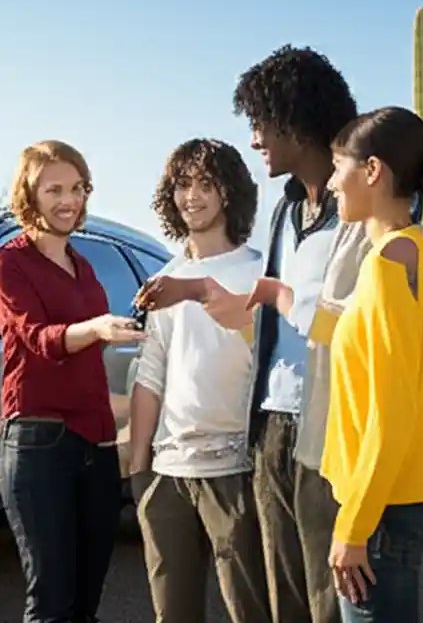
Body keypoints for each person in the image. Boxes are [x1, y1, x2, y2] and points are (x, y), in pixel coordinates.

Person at [140, 45, 370, 623]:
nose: (255, 137)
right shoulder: (285, 214)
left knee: (329, 599)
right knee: (282, 600)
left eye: (260, 123)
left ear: (293, 120)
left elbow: (354, 330)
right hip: (269, 433)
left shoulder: (363, 218)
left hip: (324, 430)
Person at [0, 139, 145, 623]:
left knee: (85, 604)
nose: (68, 200)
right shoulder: (7, 263)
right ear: (28, 195)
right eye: (53, 189)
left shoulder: (85, 267)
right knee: (51, 604)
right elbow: (38, 337)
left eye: (76, 188)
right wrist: (96, 329)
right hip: (39, 445)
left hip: (94, 445)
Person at [128, 139, 272, 623]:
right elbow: (151, 374)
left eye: (205, 184)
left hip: (238, 469)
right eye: (182, 184)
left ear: (229, 192)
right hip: (169, 474)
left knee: (251, 611)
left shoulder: (259, 270)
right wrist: (139, 468)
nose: (192, 195)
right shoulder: (167, 277)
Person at [318, 106, 423, 622]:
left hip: (382, 508)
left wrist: (354, 527)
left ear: (372, 171)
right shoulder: (419, 256)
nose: (332, 183)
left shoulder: (388, 264)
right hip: (397, 497)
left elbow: (391, 409)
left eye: (338, 167)